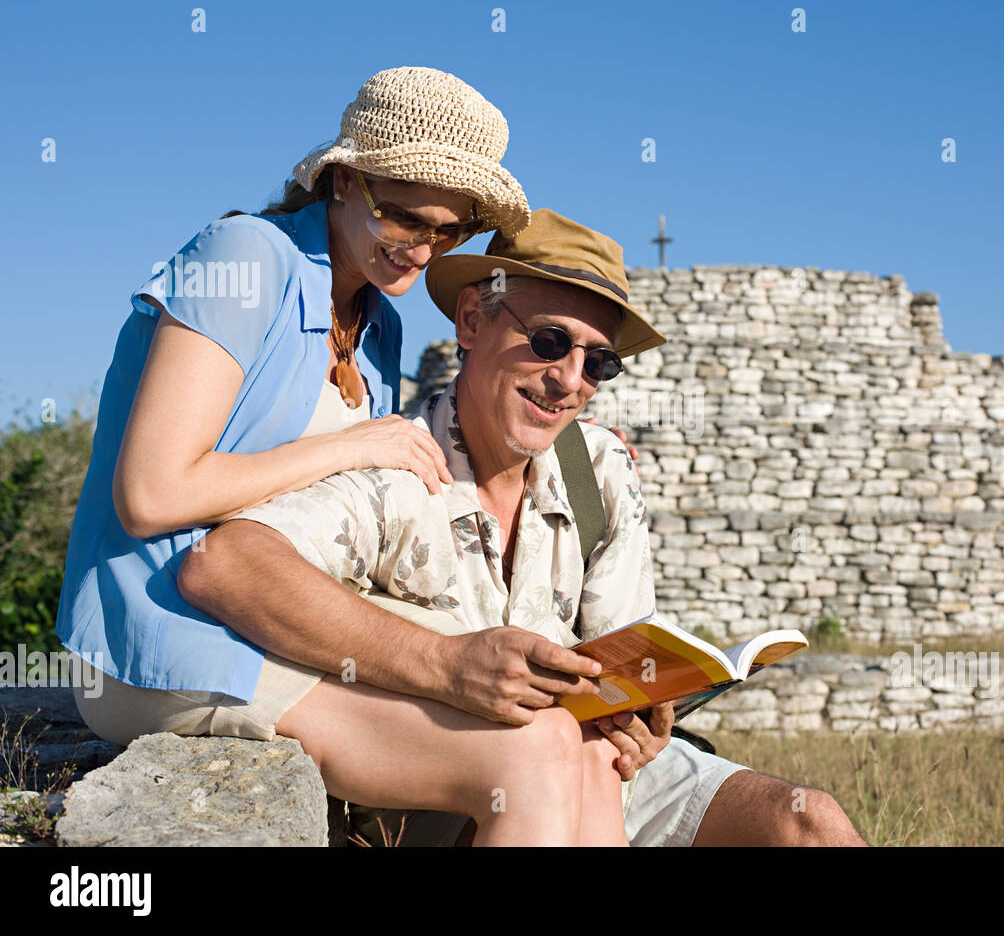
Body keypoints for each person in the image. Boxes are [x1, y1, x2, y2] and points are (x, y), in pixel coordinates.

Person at [179, 210, 866, 846]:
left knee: (811, 824)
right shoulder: (398, 466)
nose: (568, 379)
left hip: (594, 761)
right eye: (549, 341)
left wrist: (642, 719)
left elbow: (620, 654)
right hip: (461, 778)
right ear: (472, 322)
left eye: (598, 362)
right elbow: (226, 564)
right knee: (560, 760)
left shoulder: (597, 466)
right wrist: (444, 664)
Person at [55, 67, 531, 743]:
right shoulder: (245, 257)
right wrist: (351, 445)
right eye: (402, 216)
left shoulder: (378, 321)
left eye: (450, 233)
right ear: (342, 181)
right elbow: (151, 495)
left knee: (529, 700)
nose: (422, 251)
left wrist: (567, 450)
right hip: (166, 639)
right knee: (518, 744)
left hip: (285, 617)